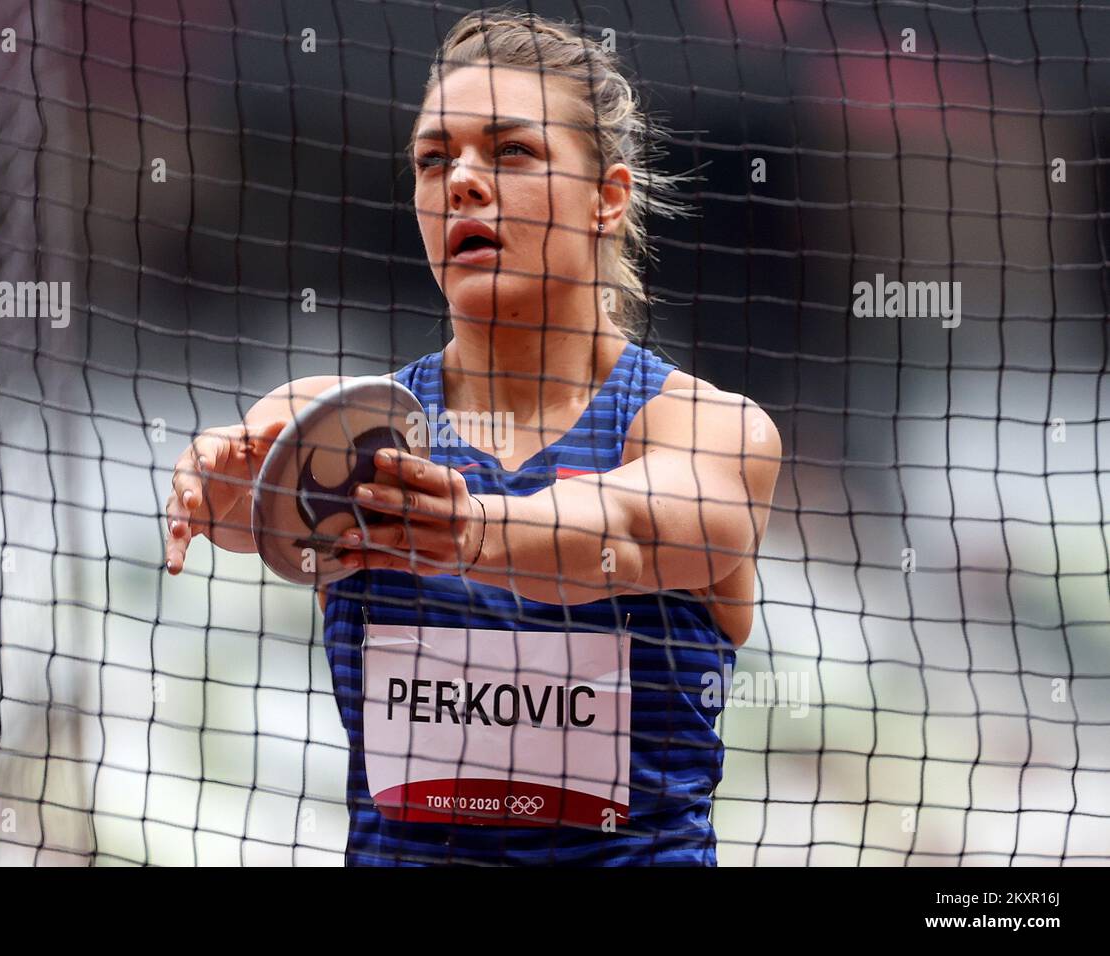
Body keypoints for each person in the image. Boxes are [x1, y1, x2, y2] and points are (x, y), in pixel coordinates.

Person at [164, 7, 781, 865]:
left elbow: (637, 535)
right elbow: (250, 520)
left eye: (512, 151)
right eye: (432, 159)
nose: (460, 180)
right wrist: (218, 485)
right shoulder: (346, 421)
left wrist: (471, 532)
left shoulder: (711, 429)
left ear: (608, 197)